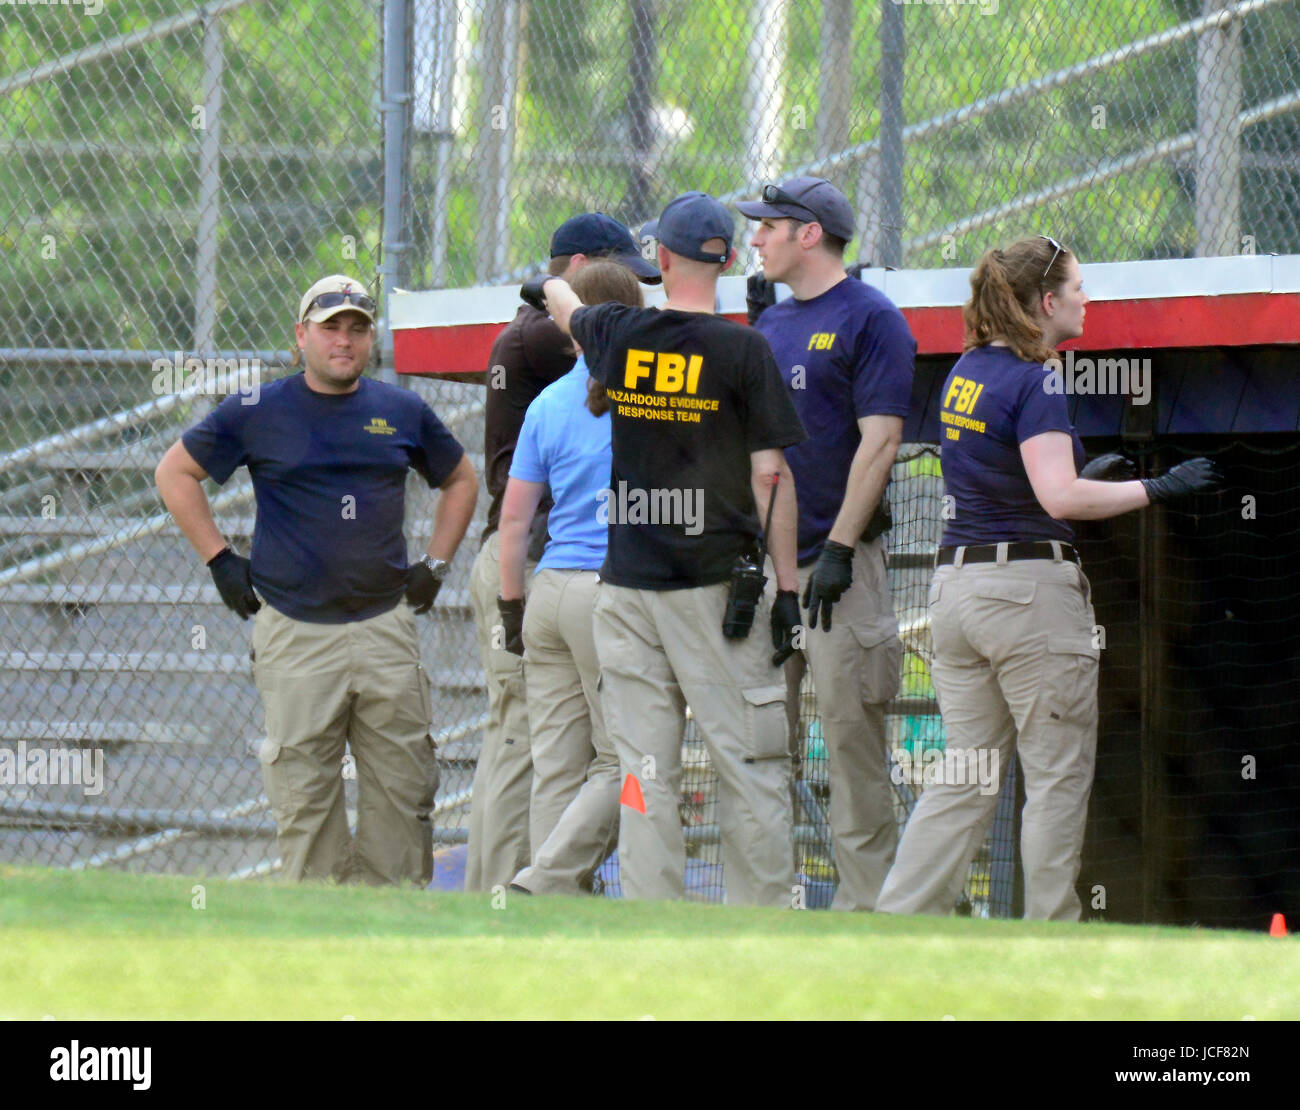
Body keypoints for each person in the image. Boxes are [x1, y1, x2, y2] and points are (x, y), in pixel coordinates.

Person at [875, 237, 1223, 920]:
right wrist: (1159, 487)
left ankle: (899, 917)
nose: (1087, 298)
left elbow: (1014, 479)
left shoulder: (967, 370)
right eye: (1078, 287)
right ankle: (1050, 934)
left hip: (956, 590)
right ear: (1046, 302)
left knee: (967, 772)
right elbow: (1060, 497)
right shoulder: (1037, 381)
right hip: (1028, 594)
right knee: (1057, 774)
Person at [520, 191, 808, 906]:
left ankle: (651, 918)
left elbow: (563, 302)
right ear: (731, 259)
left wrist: (548, 284)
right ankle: (760, 920)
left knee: (644, 771)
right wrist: (789, 589)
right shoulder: (745, 348)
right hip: (715, 589)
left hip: (625, 587)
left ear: (660, 259)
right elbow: (770, 474)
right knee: (748, 760)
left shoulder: (621, 332)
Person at [154, 274, 478, 885]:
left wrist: (435, 565)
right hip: (295, 632)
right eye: (331, 327)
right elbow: (175, 472)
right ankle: (313, 941)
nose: (345, 340)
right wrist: (220, 559)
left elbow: (461, 479)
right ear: (301, 335)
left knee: (405, 796)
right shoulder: (257, 409)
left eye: (358, 328)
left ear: (371, 338)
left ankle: (393, 940)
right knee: (304, 802)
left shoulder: (401, 410)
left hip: (385, 629)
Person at [466, 214, 660, 893]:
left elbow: (515, 520)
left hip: (545, 589)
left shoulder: (548, 401)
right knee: (622, 760)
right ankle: (546, 879)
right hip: (606, 591)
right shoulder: (642, 398)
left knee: (555, 761)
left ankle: (548, 899)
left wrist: (513, 606)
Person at [738, 175, 915, 911]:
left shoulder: (873, 319)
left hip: (842, 570)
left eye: (768, 227)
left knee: (852, 747)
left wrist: (840, 549)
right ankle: (768, 907)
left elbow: (882, 441)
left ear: (808, 233)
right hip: (770, 574)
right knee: (756, 746)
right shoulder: (767, 327)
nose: (755, 239)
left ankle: (868, 915)